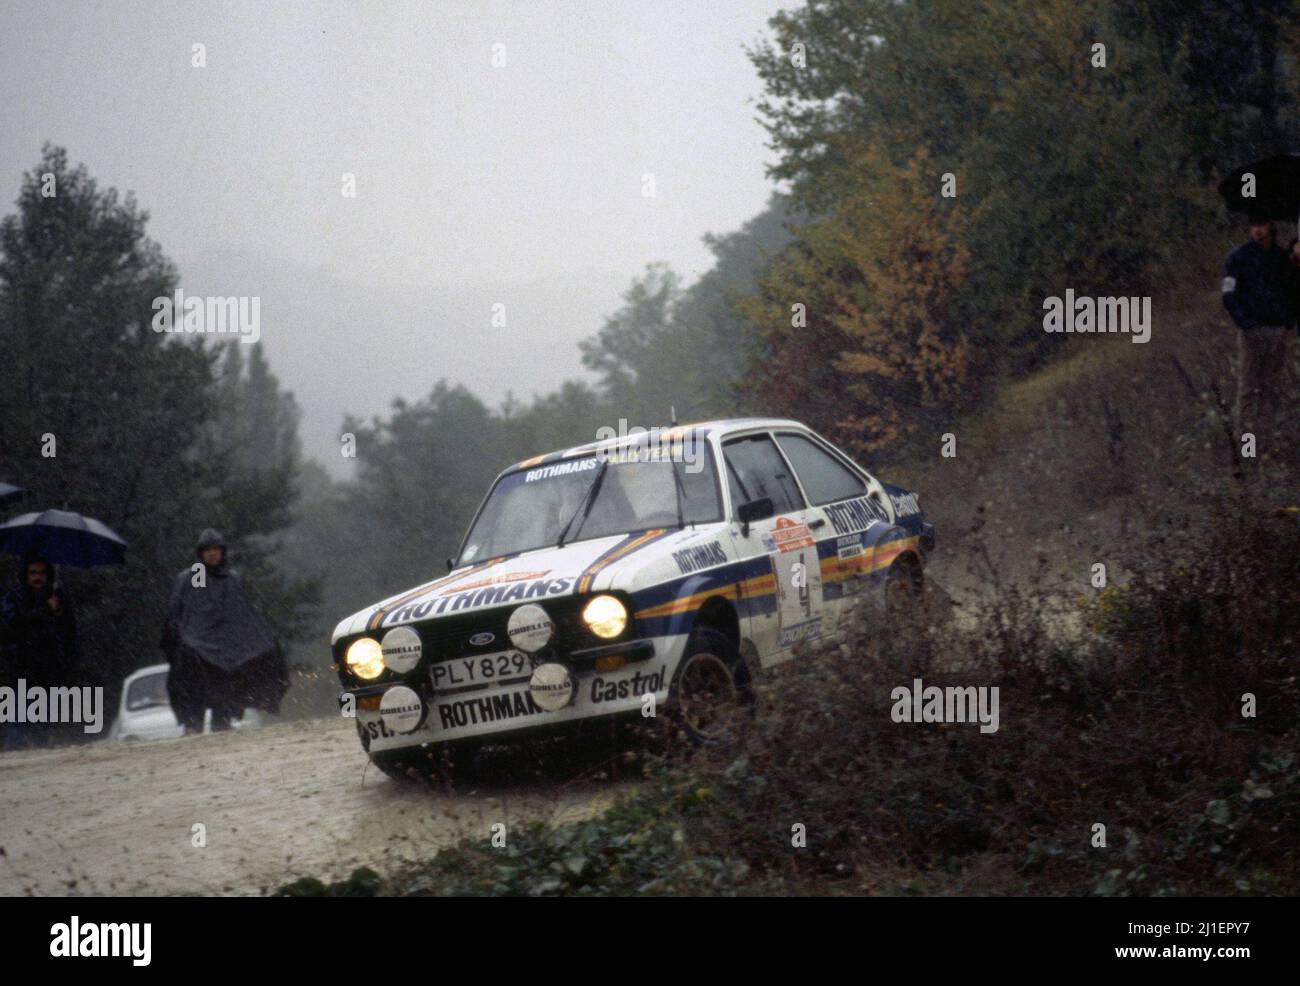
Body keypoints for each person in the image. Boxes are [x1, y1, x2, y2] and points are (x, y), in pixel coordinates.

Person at [160, 529, 287, 733]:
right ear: (200, 553)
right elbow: (187, 609)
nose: (211, 554)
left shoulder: (232, 579)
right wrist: (183, 638)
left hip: (227, 649)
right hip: (196, 648)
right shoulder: (192, 577)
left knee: (228, 687)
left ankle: (223, 722)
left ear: (222, 552)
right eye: (207, 550)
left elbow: (242, 613)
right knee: (193, 686)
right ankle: (193, 725)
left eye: (215, 549)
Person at [1221, 213, 1296, 466]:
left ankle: (1267, 444)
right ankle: (1247, 447)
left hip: (1277, 329)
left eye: (1262, 225)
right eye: (1254, 225)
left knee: (1270, 388)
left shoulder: (1281, 257)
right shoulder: (1238, 257)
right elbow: (1229, 294)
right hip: (1252, 332)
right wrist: (1245, 323)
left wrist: (1287, 322)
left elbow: (1292, 289)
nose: (1258, 231)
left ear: (1271, 226)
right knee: (1248, 388)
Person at [0, 556, 79, 749]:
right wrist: (42, 611)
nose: (38, 578)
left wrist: (58, 611)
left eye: (42, 573)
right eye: (33, 573)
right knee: (19, 718)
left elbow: (68, 631)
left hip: (49, 669)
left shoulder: (57, 597)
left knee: (43, 722)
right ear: (26, 575)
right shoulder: (15, 598)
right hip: (22, 667)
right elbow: (11, 625)